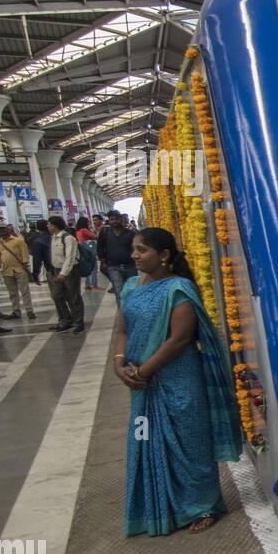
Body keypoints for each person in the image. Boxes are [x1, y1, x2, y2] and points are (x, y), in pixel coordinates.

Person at [114, 228, 242, 536]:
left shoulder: (179, 289)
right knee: (146, 439)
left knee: (189, 442)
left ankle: (204, 506)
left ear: (164, 256)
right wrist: (118, 364)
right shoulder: (131, 286)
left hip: (177, 378)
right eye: (134, 249)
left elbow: (180, 339)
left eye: (141, 250)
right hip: (140, 381)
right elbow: (122, 330)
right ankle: (160, 508)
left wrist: (142, 372)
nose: (134, 255)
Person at [47, 215, 84, 333]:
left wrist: (64, 273)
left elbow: (70, 257)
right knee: (56, 295)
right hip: (57, 270)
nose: (47, 226)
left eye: (49, 224)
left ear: (54, 225)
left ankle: (78, 322)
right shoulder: (53, 238)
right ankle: (66, 319)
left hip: (70, 271)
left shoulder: (68, 238)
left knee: (74, 296)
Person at [0, 223, 36, 320]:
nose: (2, 232)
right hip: (6, 270)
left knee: (24, 290)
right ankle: (16, 311)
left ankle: (29, 310)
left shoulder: (18, 241)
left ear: (8, 230)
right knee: (12, 292)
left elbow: (25, 254)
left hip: (20, 269)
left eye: (3, 229)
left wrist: (25, 264)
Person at [97, 210, 138, 297]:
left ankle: (132, 309)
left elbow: (136, 248)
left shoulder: (130, 233)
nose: (115, 221)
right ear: (109, 221)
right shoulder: (105, 233)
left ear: (121, 219)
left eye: (117, 219)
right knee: (119, 291)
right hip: (113, 267)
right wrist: (103, 262)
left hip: (130, 266)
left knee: (132, 291)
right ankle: (122, 309)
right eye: (112, 219)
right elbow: (100, 247)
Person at [75, 216, 105, 291]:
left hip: (83, 250)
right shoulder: (84, 230)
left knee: (89, 267)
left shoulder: (78, 231)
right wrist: (97, 231)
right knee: (93, 268)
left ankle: (88, 285)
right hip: (89, 250)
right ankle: (94, 286)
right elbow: (95, 237)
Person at [29, 219, 53, 285]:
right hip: (66, 269)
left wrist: (35, 275)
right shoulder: (56, 237)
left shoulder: (38, 242)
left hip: (51, 271)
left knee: (57, 293)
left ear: (37, 228)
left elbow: (37, 260)